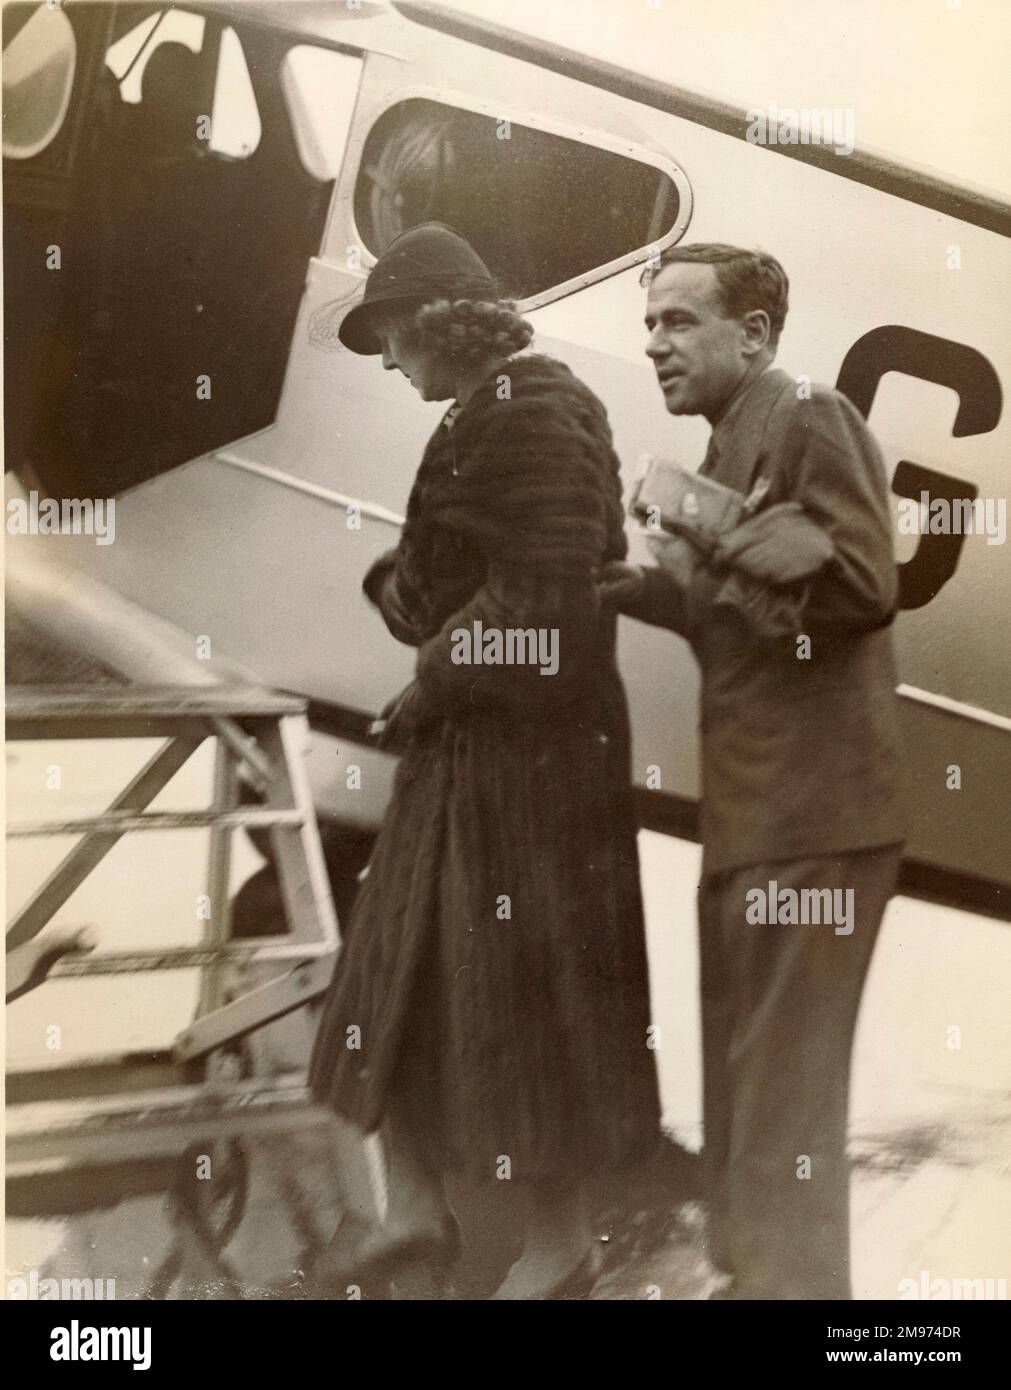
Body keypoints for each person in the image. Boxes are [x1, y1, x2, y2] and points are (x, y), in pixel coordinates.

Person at [307, 222, 662, 1299]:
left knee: (523, 1001)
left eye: (390, 336)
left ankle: (561, 1250)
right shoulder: (497, 410)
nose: (384, 358)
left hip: (529, 764)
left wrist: (433, 667)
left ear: (437, 322)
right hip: (479, 750)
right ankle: (416, 1214)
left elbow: (546, 604)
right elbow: (436, 583)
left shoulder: (536, 411)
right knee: (403, 976)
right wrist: (414, 605)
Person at [603, 243, 906, 1299]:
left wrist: (706, 526)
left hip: (815, 819)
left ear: (756, 335)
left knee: (783, 1112)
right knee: (741, 1094)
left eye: (679, 322)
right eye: (650, 324)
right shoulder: (730, 441)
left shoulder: (809, 417)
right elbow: (726, 615)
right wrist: (623, 581)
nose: (654, 344)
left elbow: (866, 584)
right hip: (753, 817)